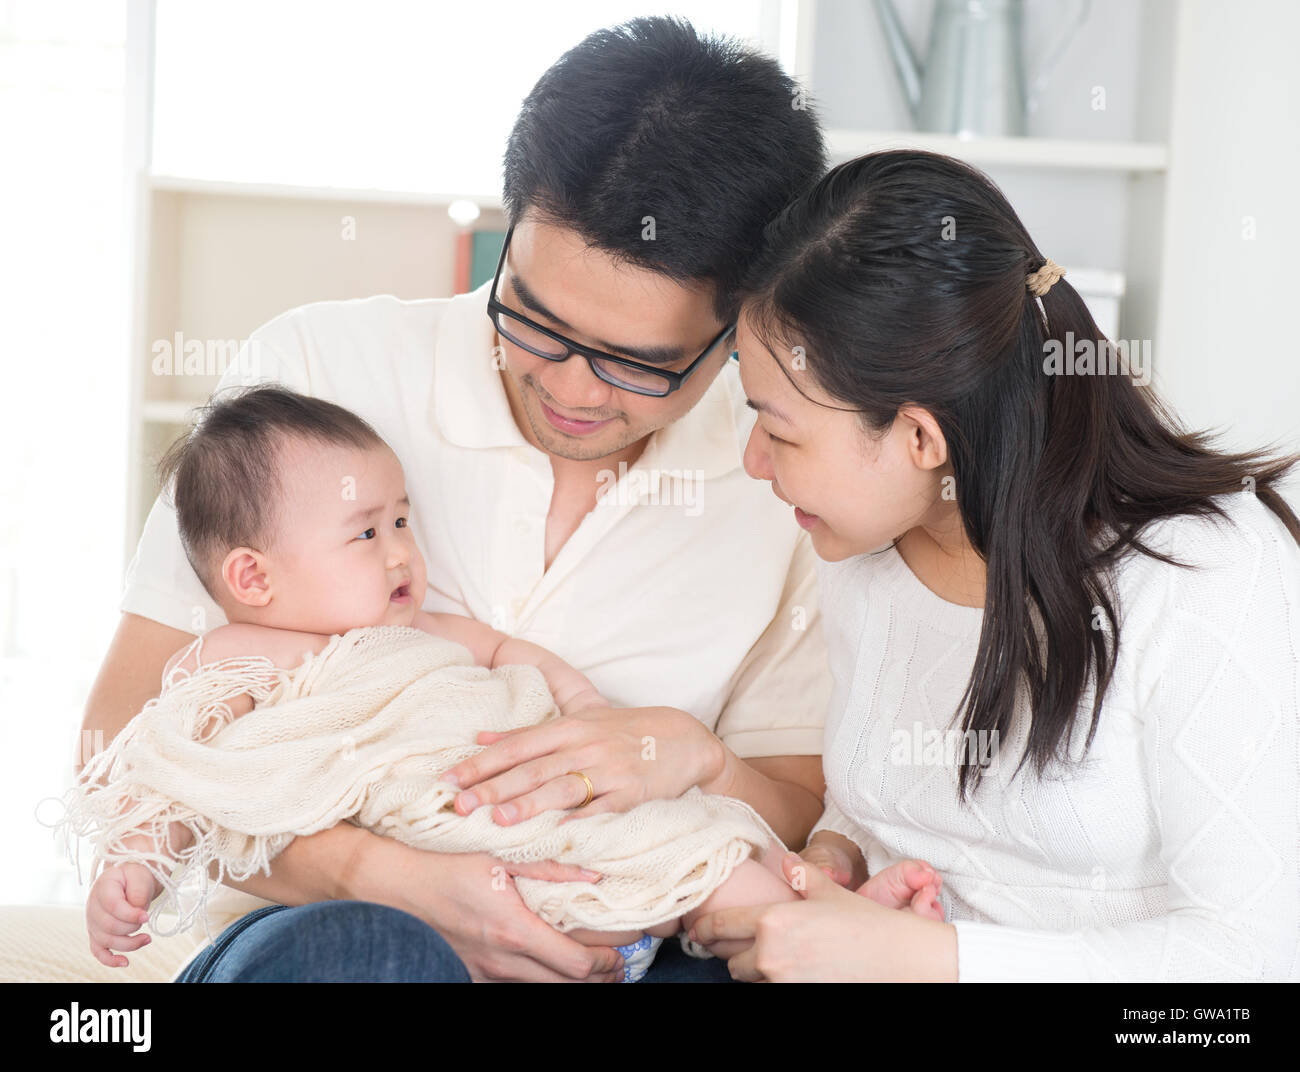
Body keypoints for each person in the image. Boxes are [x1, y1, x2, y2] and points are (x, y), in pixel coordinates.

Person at [80, 16, 833, 982]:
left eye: (636, 366)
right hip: (331, 939)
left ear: (743, 325)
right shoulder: (320, 373)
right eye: (536, 319)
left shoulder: (783, 472)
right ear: (506, 229)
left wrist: (696, 756)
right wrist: (379, 875)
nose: (571, 390)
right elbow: (123, 739)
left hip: (624, 937)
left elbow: (800, 810)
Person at [691, 149, 1300, 982]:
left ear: (919, 440)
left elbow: (1256, 959)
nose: (753, 460)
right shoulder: (863, 548)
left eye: (780, 429)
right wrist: (836, 863)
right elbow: (899, 807)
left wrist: (932, 959)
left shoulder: (1207, 575)